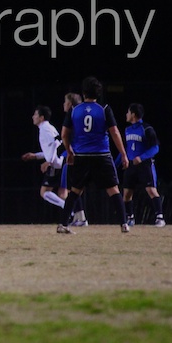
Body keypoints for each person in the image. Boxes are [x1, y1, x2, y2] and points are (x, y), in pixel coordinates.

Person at [57, 76, 130, 234]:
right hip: (101, 155)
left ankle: (62, 224)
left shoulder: (74, 110)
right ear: (98, 93)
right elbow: (115, 132)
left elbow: (64, 134)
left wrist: (69, 150)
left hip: (81, 156)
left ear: (83, 93)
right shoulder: (104, 109)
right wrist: (123, 154)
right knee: (113, 189)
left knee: (75, 190)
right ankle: (124, 224)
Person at [118, 103, 165, 227]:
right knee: (127, 193)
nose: (126, 115)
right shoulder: (127, 130)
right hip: (131, 166)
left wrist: (142, 157)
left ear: (133, 114)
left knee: (151, 190)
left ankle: (160, 217)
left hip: (145, 165)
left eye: (128, 112)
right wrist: (116, 163)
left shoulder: (147, 129)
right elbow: (125, 149)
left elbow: (155, 148)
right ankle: (130, 217)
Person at [21, 105, 67, 212]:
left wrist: (49, 161)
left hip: (55, 164)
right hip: (58, 163)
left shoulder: (45, 129)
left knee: (44, 192)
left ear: (41, 118)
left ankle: (67, 209)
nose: (33, 117)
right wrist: (35, 155)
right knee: (62, 193)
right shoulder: (47, 127)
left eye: (35, 114)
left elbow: (57, 143)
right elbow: (52, 148)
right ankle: (76, 214)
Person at [61, 92, 89, 227]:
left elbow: (65, 135)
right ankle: (80, 217)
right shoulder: (83, 115)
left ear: (71, 104)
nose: (63, 104)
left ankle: (81, 218)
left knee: (74, 187)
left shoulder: (72, 115)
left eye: (65, 102)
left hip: (76, 154)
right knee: (76, 187)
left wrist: (67, 152)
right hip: (87, 153)